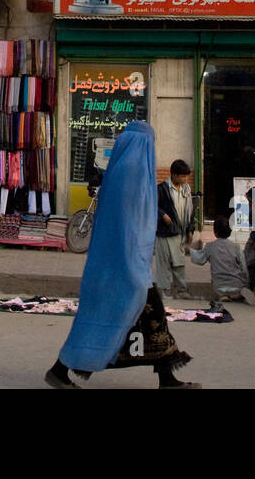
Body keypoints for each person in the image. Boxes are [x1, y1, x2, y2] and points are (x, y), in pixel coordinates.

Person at [46, 121, 199, 389]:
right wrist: (136, 269)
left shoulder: (120, 171)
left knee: (130, 322)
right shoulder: (133, 174)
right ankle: (59, 370)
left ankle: (166, 378)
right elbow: (129, 227)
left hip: (112, 266)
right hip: (127, 268)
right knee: (144, 319)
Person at [190, 218, 255, 304]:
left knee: (219, 288)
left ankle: (223, 295)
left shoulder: (210, 246)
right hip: (237, 284)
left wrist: (188, 249)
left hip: (219, 285)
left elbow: (199, 259)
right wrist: (246, 284)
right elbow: (244, 268)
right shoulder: (236, 247)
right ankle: (239, 294)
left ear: (215, 232)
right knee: (240, 287)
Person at [154, 159, 194, 298]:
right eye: (182, 176)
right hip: (164, 233)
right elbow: (152, 205)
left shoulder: (186, 190)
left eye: (186, 176)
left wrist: (190, 229)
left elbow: (190, 211)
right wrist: (163, 214)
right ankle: (165, 291)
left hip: (179, 233)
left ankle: (182, 290)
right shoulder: (162, 189)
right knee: (164, 263)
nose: (185, 179)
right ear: (174, 175)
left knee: (179, 263)